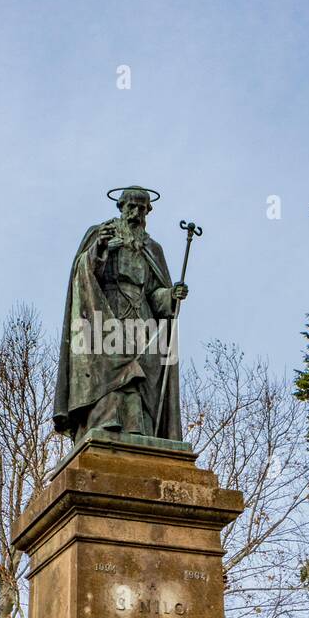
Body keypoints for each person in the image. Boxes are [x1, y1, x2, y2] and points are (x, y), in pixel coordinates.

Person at [53, 186, 187, 443]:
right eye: (131, 207)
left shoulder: (152, 248)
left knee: (139, 377)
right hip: (105, 312)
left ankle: (140, 431)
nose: (136, 213)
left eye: (141, 208)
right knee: (112, 370)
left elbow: (154, 292)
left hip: (142, 318)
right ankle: (106, 425)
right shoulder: (101, 233)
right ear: (121, 207)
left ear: (148, 211)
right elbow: (82, 273)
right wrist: (99, 249)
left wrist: (170, 295)